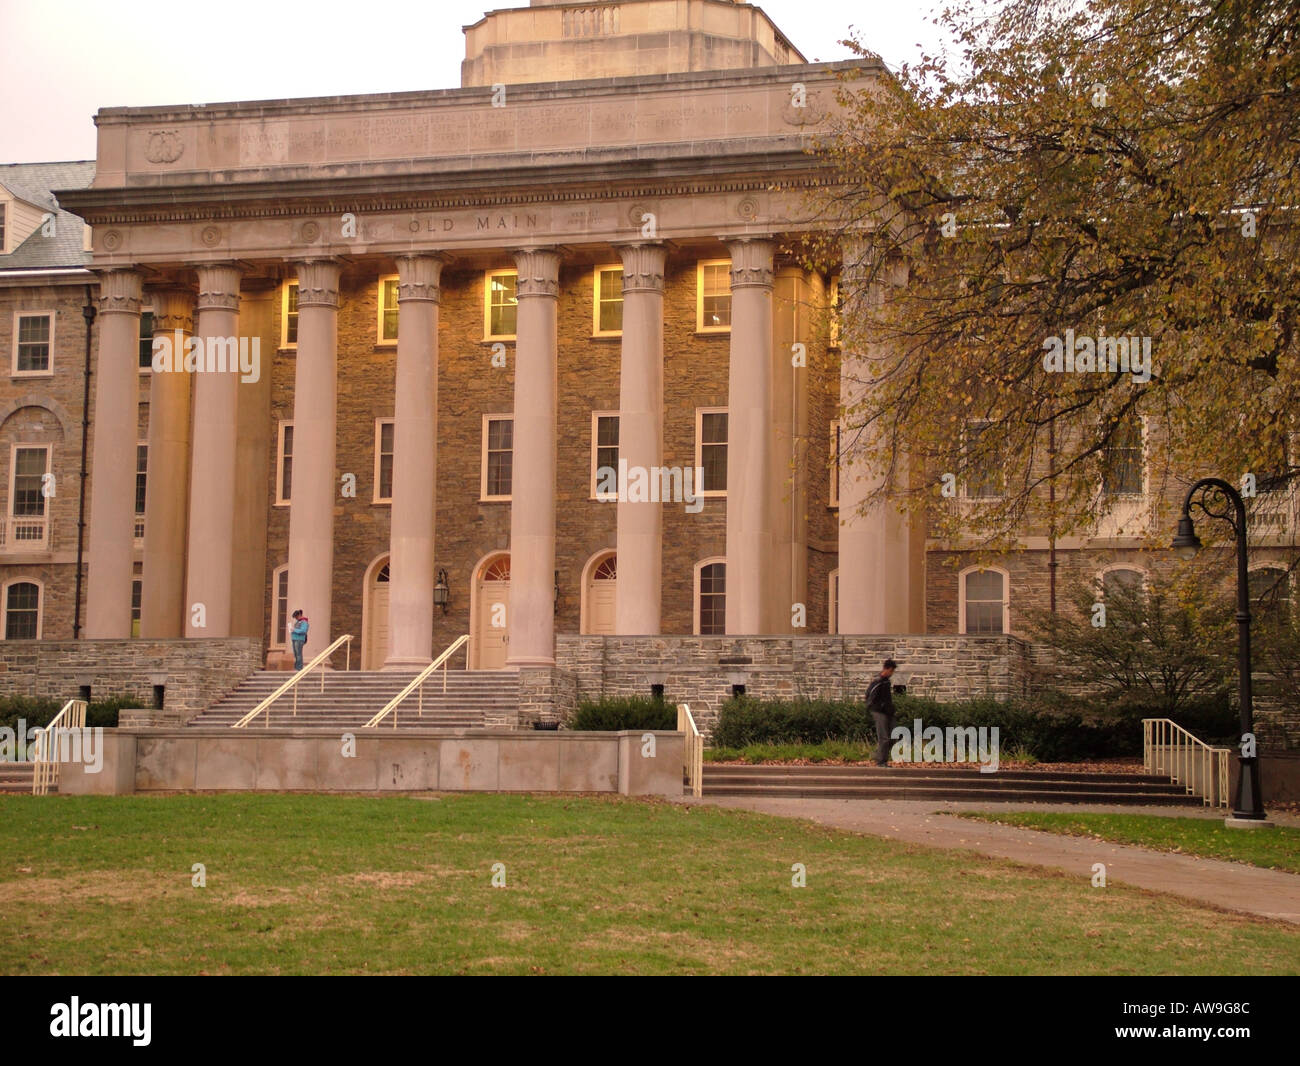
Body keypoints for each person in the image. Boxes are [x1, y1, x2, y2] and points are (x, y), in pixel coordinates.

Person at [866, 659, 898, 767]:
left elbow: (887, 699)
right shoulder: (878, 681)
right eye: (892, 671)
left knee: (894, 736)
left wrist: (891, 710)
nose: (892, 673)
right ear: (888, 669)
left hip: (888, 713)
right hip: (878, 712)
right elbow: (869, 696)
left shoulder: (886, 682)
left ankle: (877, 754)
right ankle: (881, 761)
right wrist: (876, 707)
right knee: (883, 737)